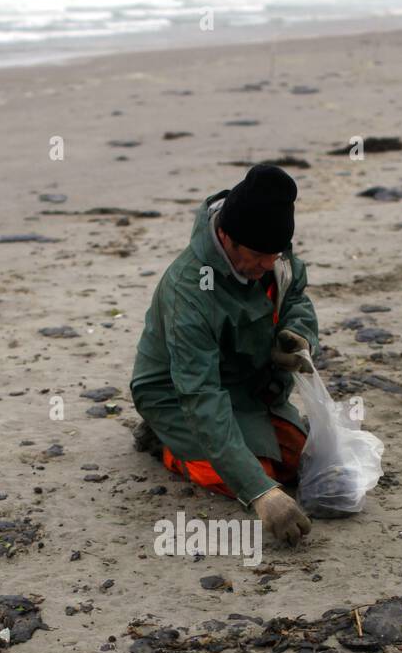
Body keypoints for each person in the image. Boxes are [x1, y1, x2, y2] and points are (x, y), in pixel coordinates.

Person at [131, 163, 317, 546]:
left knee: (300, 461)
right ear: (226, 237)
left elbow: (296, 295)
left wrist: (295, 333)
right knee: (257, 475)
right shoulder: (189, 290)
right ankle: (163, 443)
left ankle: (244, 451)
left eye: (276, 254)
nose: (269, 265)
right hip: (177, 392)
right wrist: (259, 495)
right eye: (259, 255)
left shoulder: (270, 254)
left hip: (242, 383)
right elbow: (200, 395)